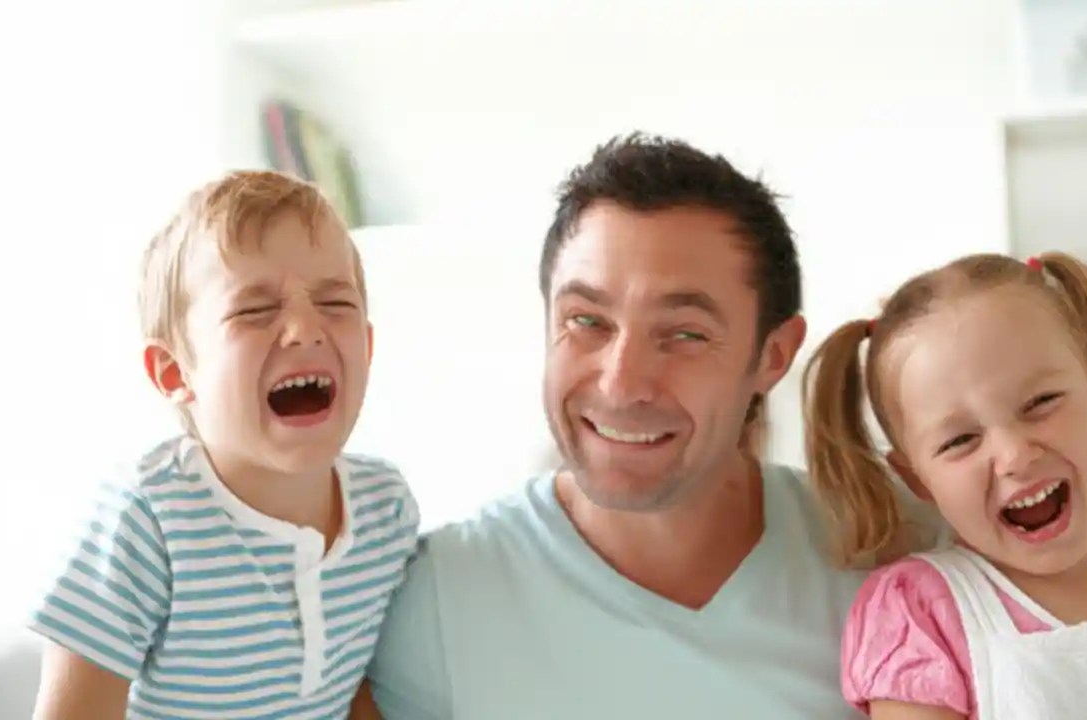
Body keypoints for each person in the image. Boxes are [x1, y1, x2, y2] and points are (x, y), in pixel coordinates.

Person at [363, 133, 934, 719]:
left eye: (685, 334)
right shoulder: (434, 601)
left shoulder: (897, 547)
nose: (620, 383)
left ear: (773, 354)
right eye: (585, 320)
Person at [28, 170, 420, 719]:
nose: (305, 328)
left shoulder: (387, 509)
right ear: (173, 372)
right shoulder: (147, 518)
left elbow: (361, 691)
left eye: (337, 304)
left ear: (369, 346)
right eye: (255, 310)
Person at [803, 251, 1087, 719]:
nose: (1015, 456)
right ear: (916, 477)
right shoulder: (920, 617)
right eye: (960, 440)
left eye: (1041, 402)